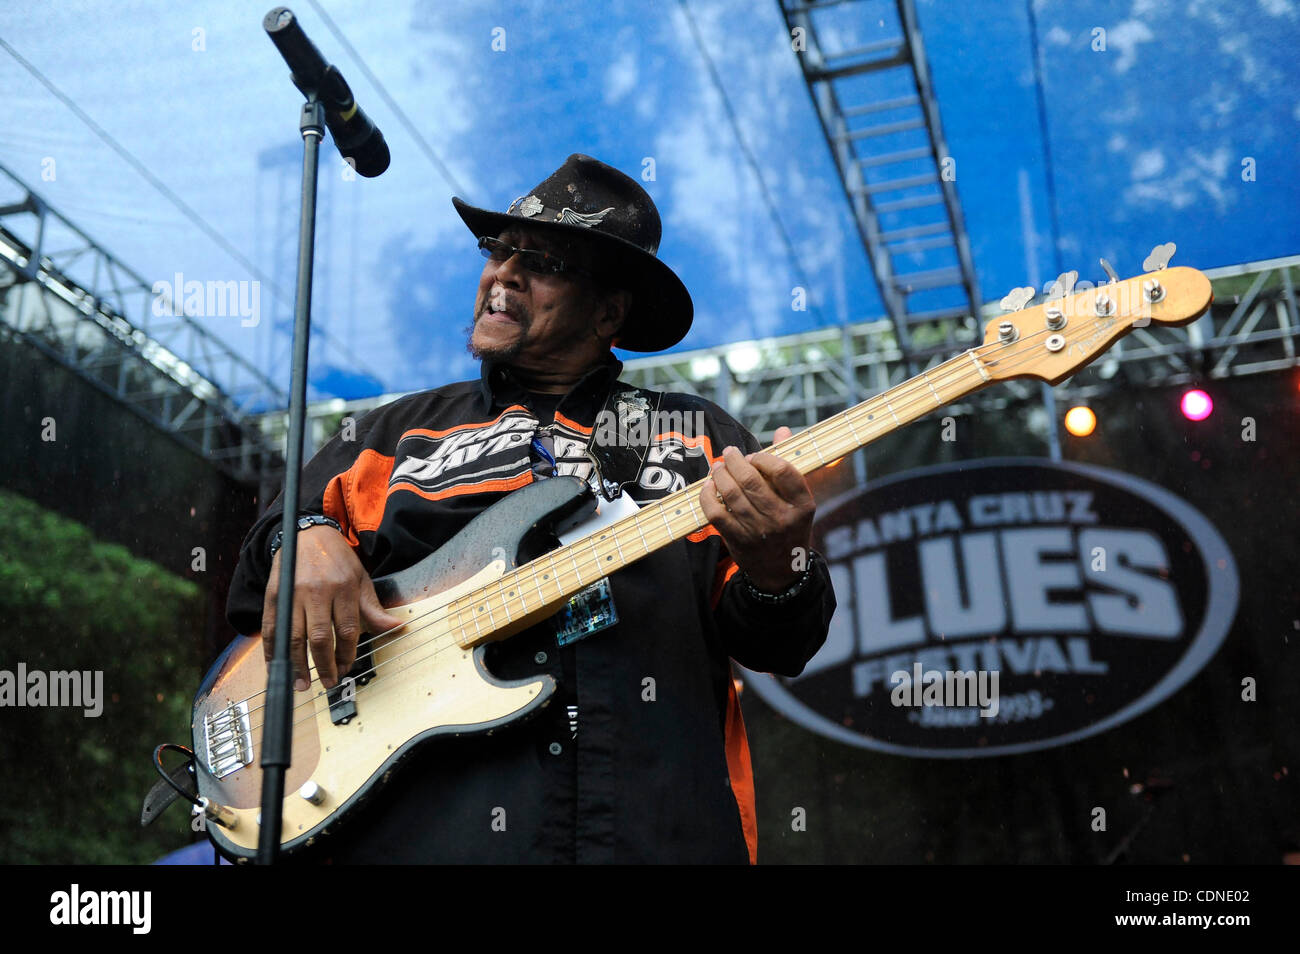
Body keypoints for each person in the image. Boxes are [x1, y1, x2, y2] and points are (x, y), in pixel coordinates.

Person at [225, 154, 836, 863]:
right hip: (415, 836)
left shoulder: (702, 439)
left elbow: (783, 641)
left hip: (653, 834)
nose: (504, 273)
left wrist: (778, 561)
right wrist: (306, 538)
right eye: (499, 250)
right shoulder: (396, 435)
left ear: (609, 311)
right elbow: (263, 569)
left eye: (542, 260)